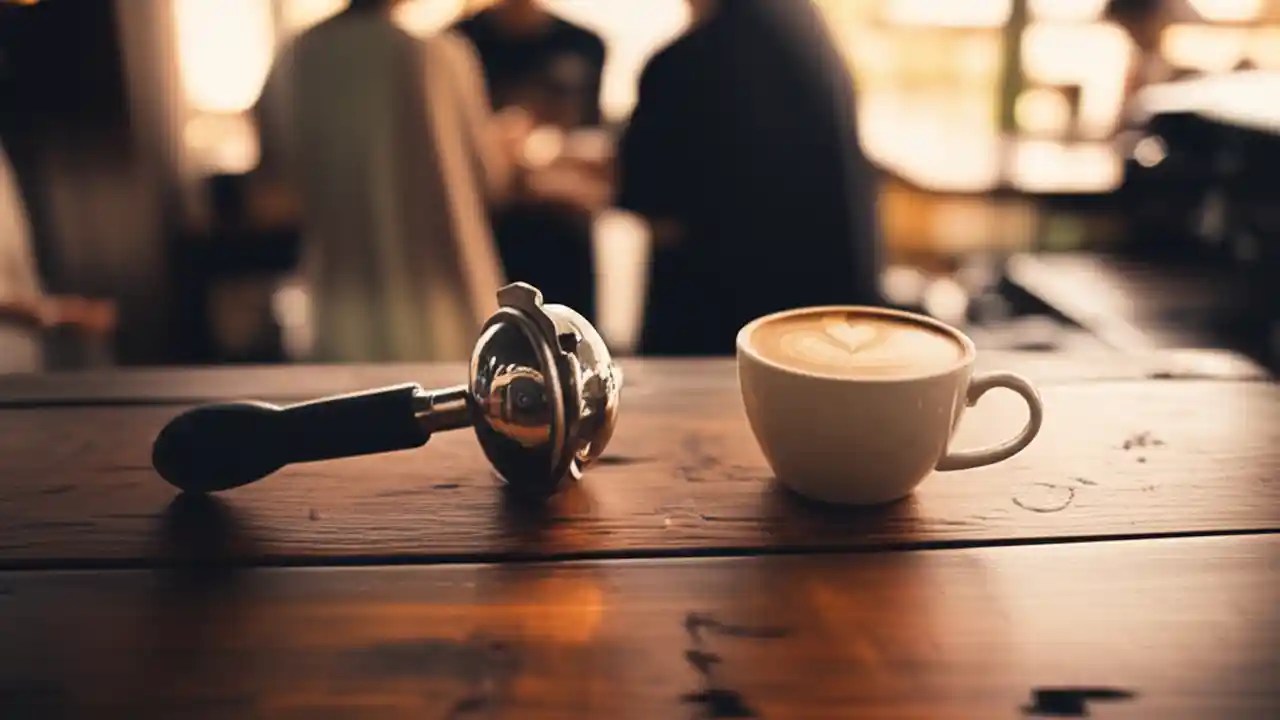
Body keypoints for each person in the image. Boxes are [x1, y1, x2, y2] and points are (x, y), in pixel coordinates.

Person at [255, 0, 527, 362]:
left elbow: (274, 183)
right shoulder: (438, 56)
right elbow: (490, 177)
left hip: (341, 306)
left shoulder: (297, 57)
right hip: (442, 303)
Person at [617, 0, 882, 355]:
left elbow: (655, 207)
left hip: (719, 337)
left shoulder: (684, 62)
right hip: (825, 328)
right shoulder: (807, 33)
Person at [455, 0, 606, 321]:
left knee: (570, 341)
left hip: (564, 232)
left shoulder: (583, 44)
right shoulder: (460, 44)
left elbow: (594, 145)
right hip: (489, 235)